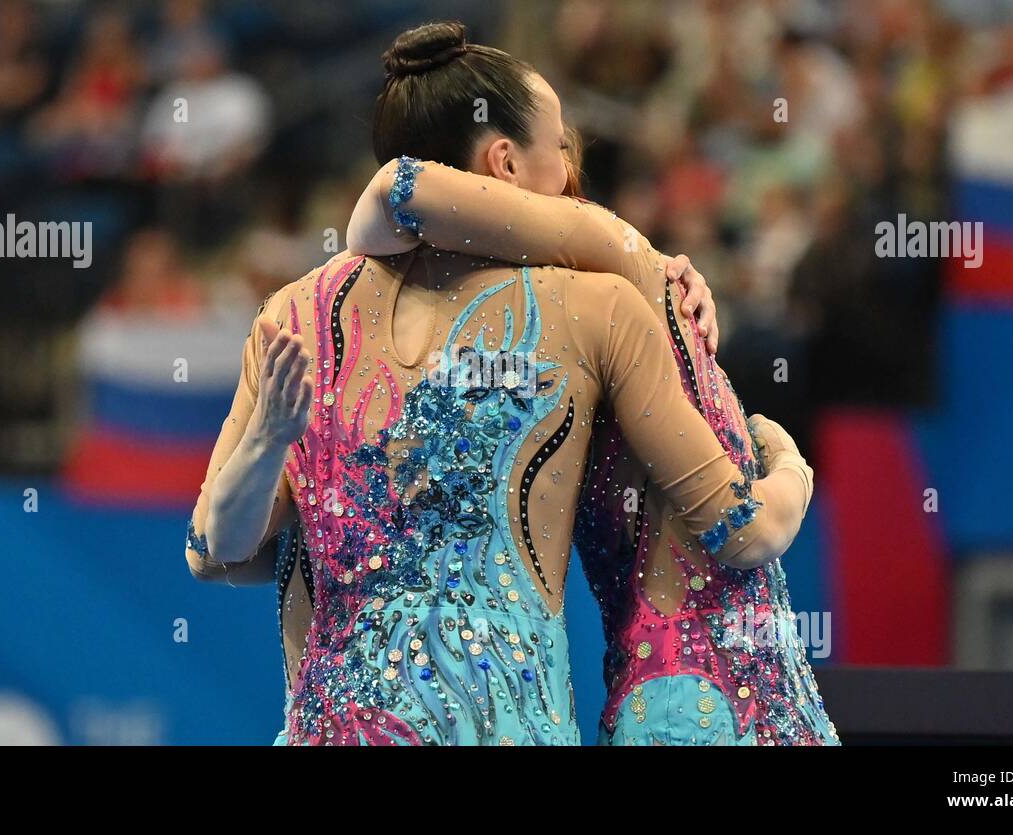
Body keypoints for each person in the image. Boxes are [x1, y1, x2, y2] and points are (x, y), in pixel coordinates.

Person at [185, 21, 816, 746]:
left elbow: (215, 552)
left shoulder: (295, 313)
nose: (575, 172)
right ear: (507, 163)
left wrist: (270, 451)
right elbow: (740, 527)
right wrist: (789, 458)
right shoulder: (595, 300)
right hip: (511, 722)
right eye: (564, 146)